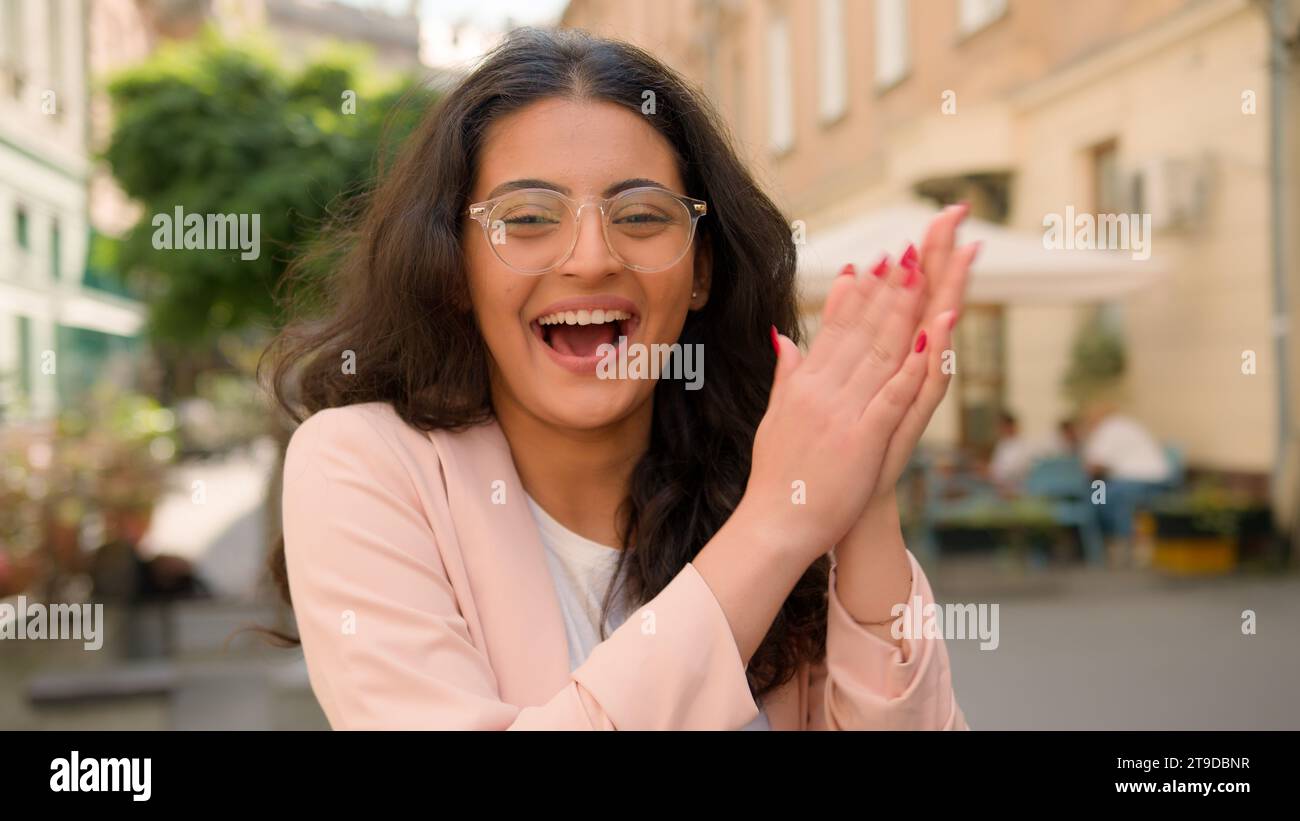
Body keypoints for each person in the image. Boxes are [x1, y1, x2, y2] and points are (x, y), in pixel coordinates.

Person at [264, 28, 978, 730]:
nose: (590, 257)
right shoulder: (361, 461)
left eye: (640, 215)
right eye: (529, 217)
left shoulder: (781, 469)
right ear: (455, 268)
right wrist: (774, 526)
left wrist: (865, 496)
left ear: (700, 270)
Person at [1080, 402, 1171, 565]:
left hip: (1132, 481)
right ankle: (1127, 540)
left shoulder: (1107, 428)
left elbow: (1094, 468)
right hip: (1162, 480)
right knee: (1104, 491)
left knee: (1097, 494)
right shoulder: (1129, 424)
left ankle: (1112, 541)